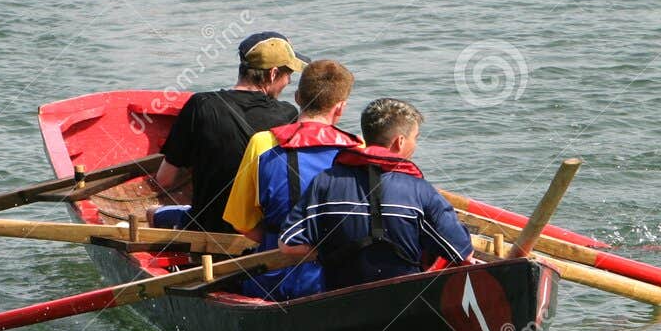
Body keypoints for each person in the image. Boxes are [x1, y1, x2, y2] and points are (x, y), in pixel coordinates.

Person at [279, 98, 474, 291]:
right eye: (416, 137)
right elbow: (461, 252)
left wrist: (328, 249)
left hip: (339, 304)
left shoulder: (325, 182)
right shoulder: (420, 190)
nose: (415, 145)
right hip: (404, 302)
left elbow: (288, 244)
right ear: (400, 141)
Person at [223, 60, 361, 299]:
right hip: (339, 278)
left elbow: (241, 223)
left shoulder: (262, 142)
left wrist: (275, 240)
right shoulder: (358, 148)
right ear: (340, 108)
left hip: (275, 279)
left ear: (297, 97)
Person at [154, 32, 304, 235]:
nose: (288, 82)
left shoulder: (201, 105)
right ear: (272, 74)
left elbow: (164, 180)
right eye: (288, 75)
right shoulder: (288, 114)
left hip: (208, 228)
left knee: (151, 212)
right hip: (260, 233)